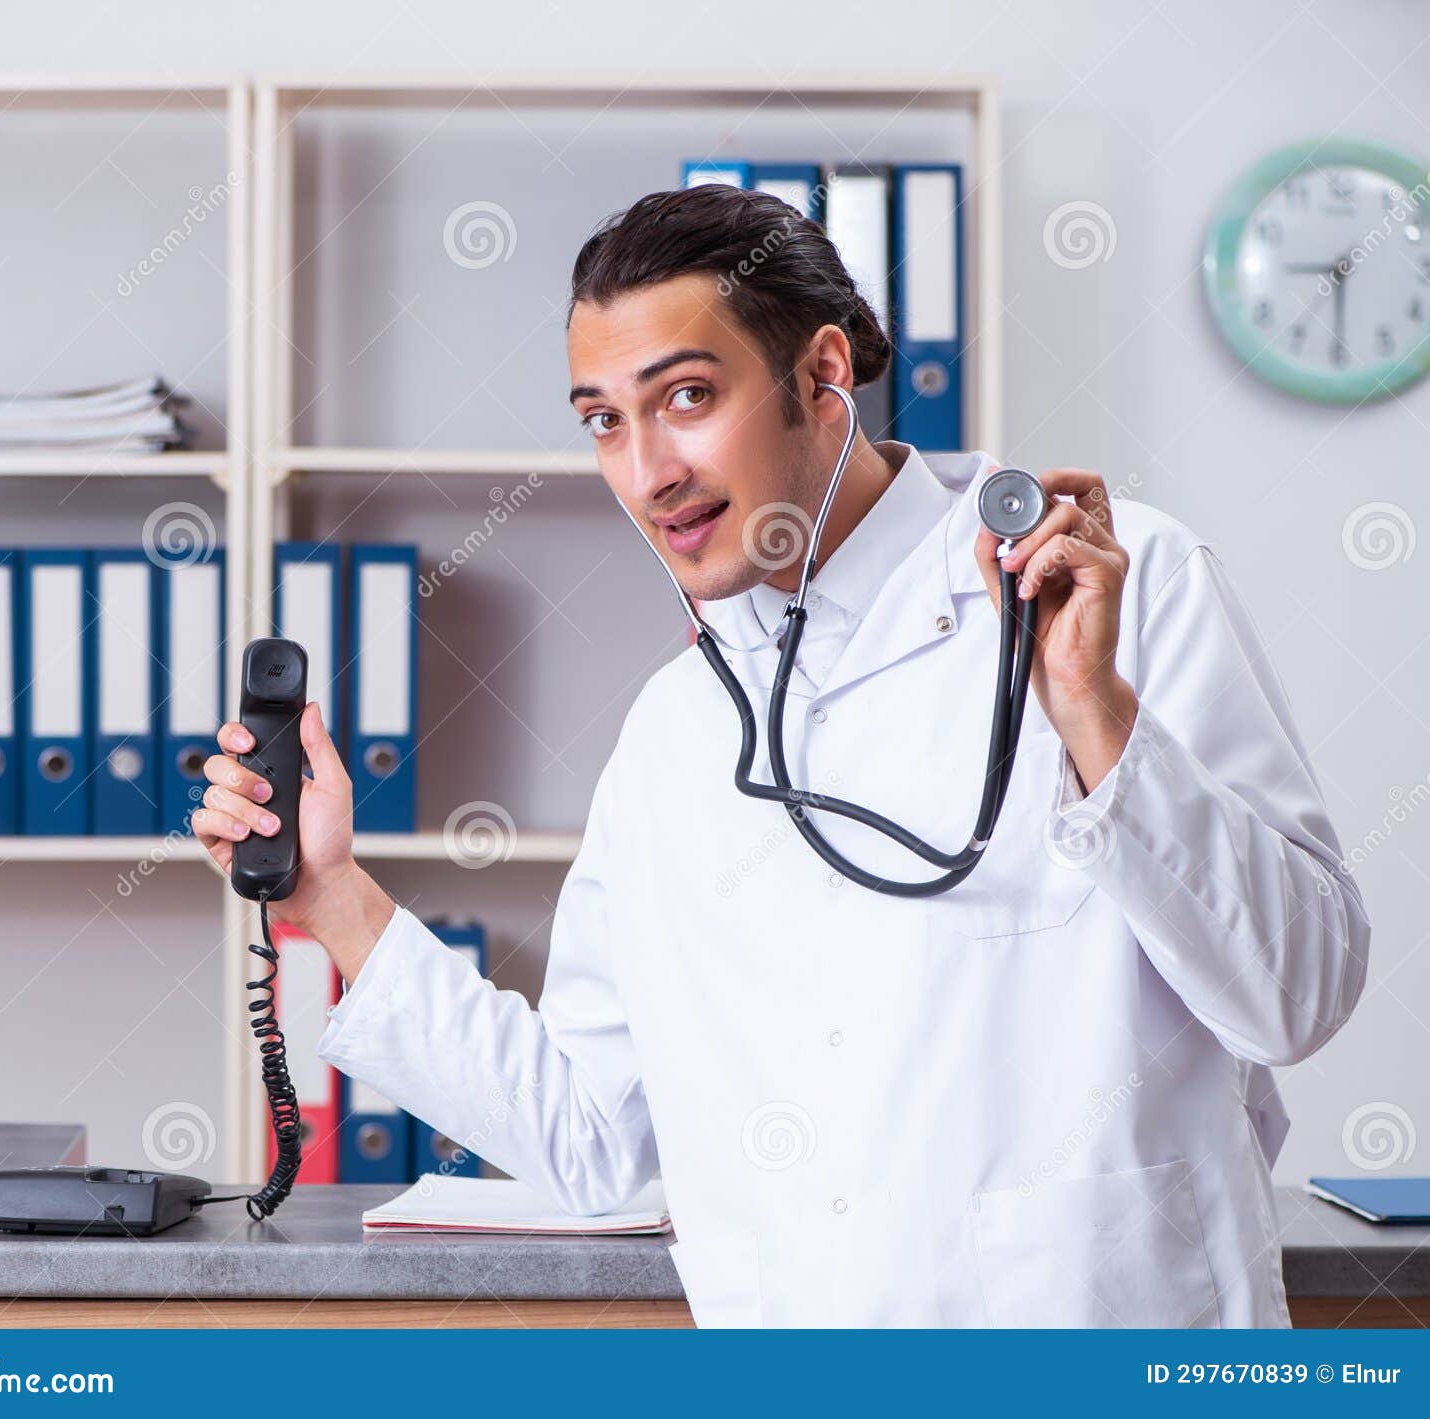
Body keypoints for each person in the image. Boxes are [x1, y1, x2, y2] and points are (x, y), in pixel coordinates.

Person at [191, 184, 1368, 1327]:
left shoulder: (1111, 586)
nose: (647, 472)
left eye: (688, 396)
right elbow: (588, 1139)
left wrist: (1095, 716)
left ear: (822, 375)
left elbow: (1297, 994)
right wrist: (330, 898)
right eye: (605, 419)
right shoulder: (680, 728)